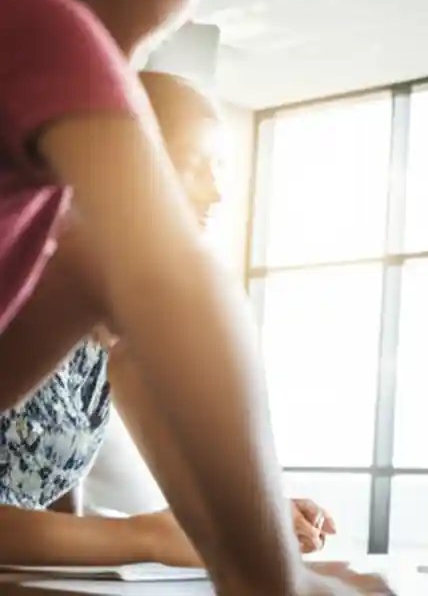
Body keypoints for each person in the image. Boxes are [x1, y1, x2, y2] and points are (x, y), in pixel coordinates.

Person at [0, 0, 374, 592]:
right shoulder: (44, 21)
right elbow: (180, 283)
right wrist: (279, 580)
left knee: (100, 268)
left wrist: (232, 529)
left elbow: (139, 328)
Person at [0, 71, 339, 567]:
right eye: (192, 165)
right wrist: (150, 535)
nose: (217, 193)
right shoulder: (19, 291)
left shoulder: (103, 336)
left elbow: (52, 515)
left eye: (219, 168)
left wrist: (258, 517)